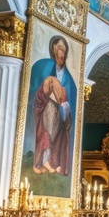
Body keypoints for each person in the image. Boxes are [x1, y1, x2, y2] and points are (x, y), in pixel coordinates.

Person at [30, 36, 77, 176]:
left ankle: (50, 162)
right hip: (46, 107)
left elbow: (71, 97)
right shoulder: (45, 67)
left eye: (63, 48)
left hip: (60, 113)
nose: (60, 52)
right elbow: (35, 90)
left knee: (54, 135)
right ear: (53, 50)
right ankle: (44, 162)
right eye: (57, 48)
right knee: (46, 133)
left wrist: (64, 100)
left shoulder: (68, 78)